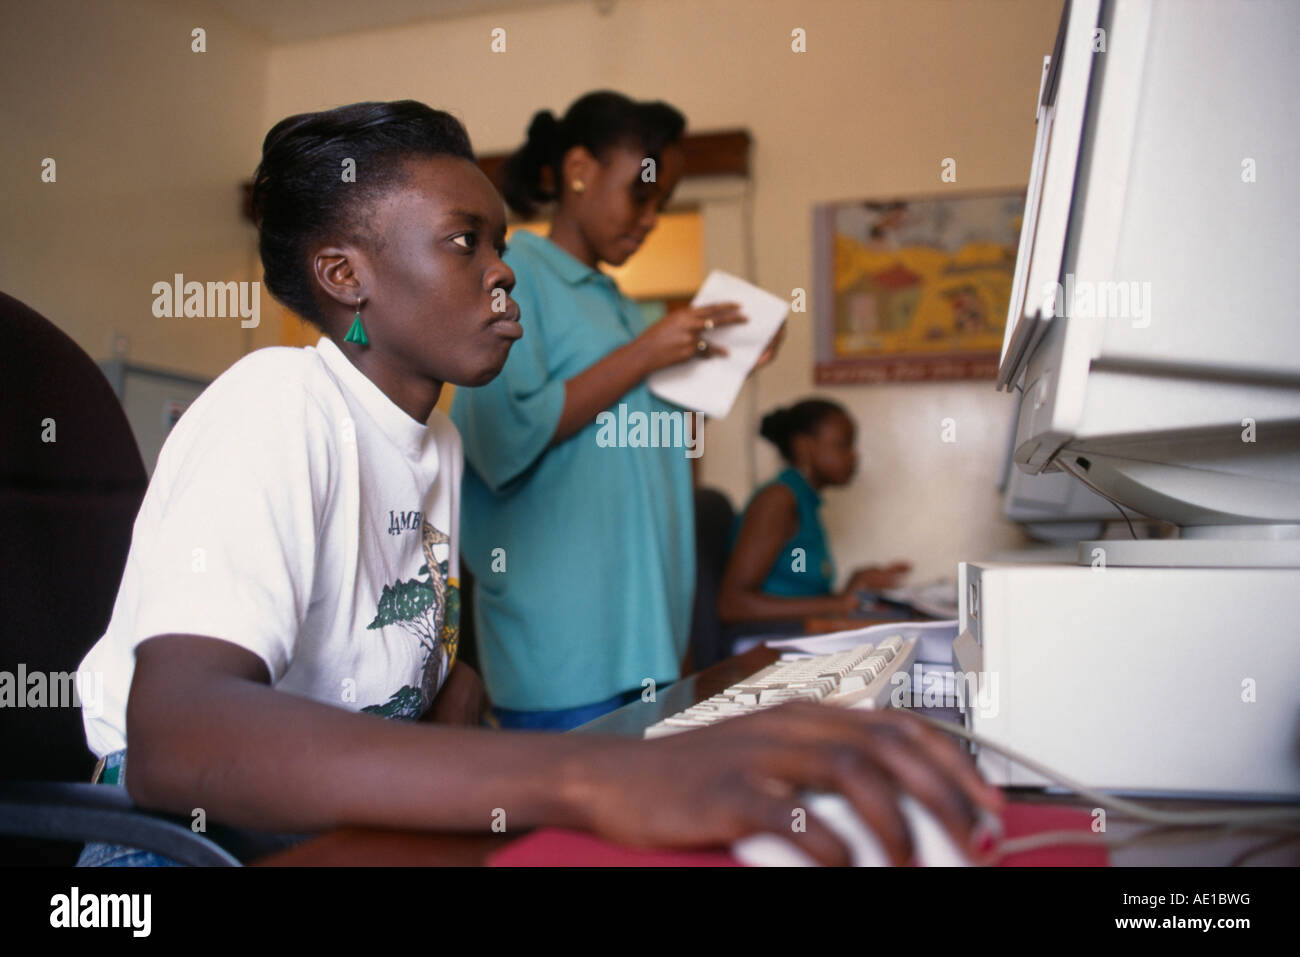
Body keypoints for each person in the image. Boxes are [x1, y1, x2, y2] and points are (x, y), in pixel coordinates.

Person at [75, 100, 998, 868]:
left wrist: (453, 685)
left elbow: (388, 653)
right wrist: (577, 775)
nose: (503, 269)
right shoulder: (277, 403)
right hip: (184, 848)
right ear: (345, 276)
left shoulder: (430, 441)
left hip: (328, 824)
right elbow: (181, 735)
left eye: (499, 242)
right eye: (463, 242)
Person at [452, 91, 757, 731]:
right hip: (563, 650)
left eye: (663, 203)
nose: (650, 218)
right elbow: (501, 440)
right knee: (573, 829)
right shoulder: (512, 278)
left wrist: (725, 362)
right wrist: (645, 355)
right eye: (640, 194)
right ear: (580, 170)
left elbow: (642, 450)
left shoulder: (624, 307)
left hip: (645, 637)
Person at [718, 399, 911, 624]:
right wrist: (839, 603)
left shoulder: (805, 500)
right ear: (804, 446)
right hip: (765, 641)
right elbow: (732, 604)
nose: (854, 456)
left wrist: (856, 584)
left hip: (797, 633)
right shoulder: (778, 499)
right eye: (843, 444)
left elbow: (803, 596)